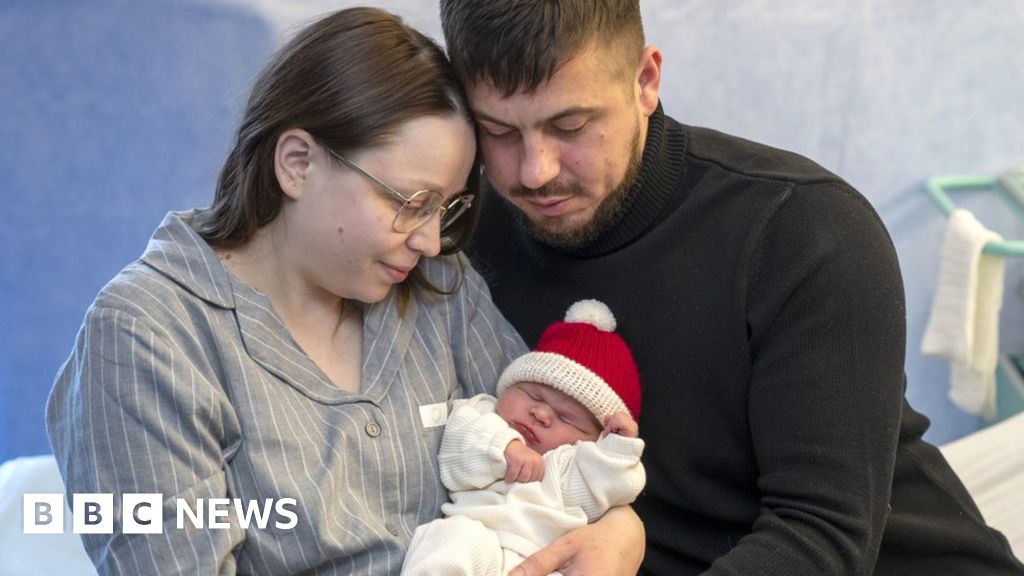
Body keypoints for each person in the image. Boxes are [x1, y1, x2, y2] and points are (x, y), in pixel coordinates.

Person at [45, 7, 642, 575]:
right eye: (410, 203)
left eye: (446, 208)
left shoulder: (439, 290)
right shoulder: (146, 339)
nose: (432, 241)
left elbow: (558, 466)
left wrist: (622, 531)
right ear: (298, 163)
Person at [438, 1, 1024, 575]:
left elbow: (822, 537)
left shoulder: (803, 232)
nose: (534, 171)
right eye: (499, 132)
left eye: (570, 125)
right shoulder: (466, 231)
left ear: (646, 80)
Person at [402, 300, 646, 575]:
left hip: (547, 558)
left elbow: (613, 487)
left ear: (592, 439)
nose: (540, 413)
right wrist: (503, 446)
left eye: (566, 417)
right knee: (450, 538)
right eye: (532, 395)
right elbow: (458, 453)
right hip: (479, 536)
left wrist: (618, 448)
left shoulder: (572, 465)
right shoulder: (483, 415)